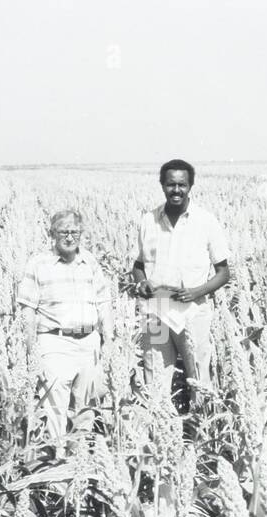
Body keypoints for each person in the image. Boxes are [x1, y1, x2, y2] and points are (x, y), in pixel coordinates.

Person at [129, 159, 232, 407]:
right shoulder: (148, 221)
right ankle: (159, 430)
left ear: (191, 186)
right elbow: (138, 265)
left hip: (192, 311)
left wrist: (196, 291)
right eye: (171, 184)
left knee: (198, 373)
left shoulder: (206, 221)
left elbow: (223, 272)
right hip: (156, 311)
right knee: (154, 374)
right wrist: (141, 282)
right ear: (162, 185)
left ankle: (200, 429)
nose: (176, 190)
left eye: (182, 185)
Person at [16, 210, 114, 446]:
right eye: (63, 232)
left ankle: (80, 458)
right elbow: (27, 310)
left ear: (81, 234)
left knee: (87, 405)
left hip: (89, 341)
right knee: (55, 405)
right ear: (52, 234)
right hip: (54, 341)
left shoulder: (90, 261)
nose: (69, 237)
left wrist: (109, 340)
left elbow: (104, 302)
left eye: (74, 232)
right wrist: (31, 351)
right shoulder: (38, 264)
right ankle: (57, 462)